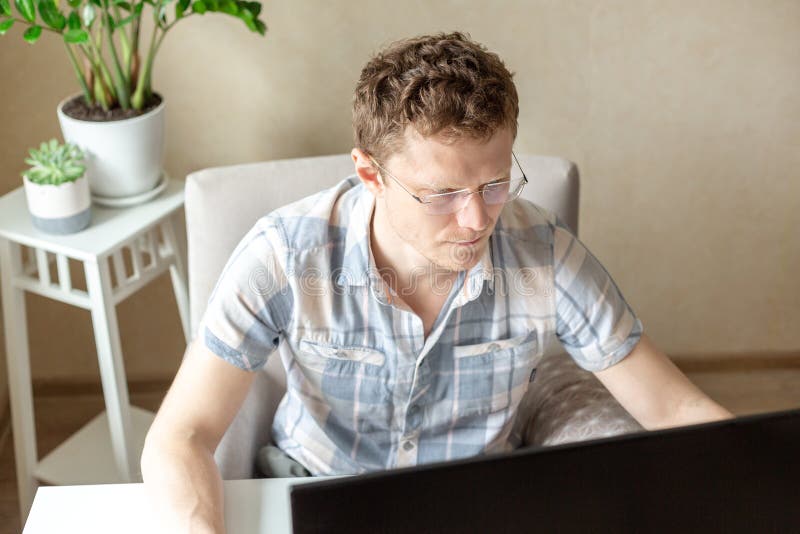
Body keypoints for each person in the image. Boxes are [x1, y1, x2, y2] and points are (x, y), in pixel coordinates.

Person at [141, 32, 732, 532]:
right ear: (370, 173)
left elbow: (675, 408)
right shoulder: (284, 257)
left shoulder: (543, 257)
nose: (476, 221)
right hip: (318, 493)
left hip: (477, 505)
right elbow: (182, 434)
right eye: (443, 195)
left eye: (495, 184)